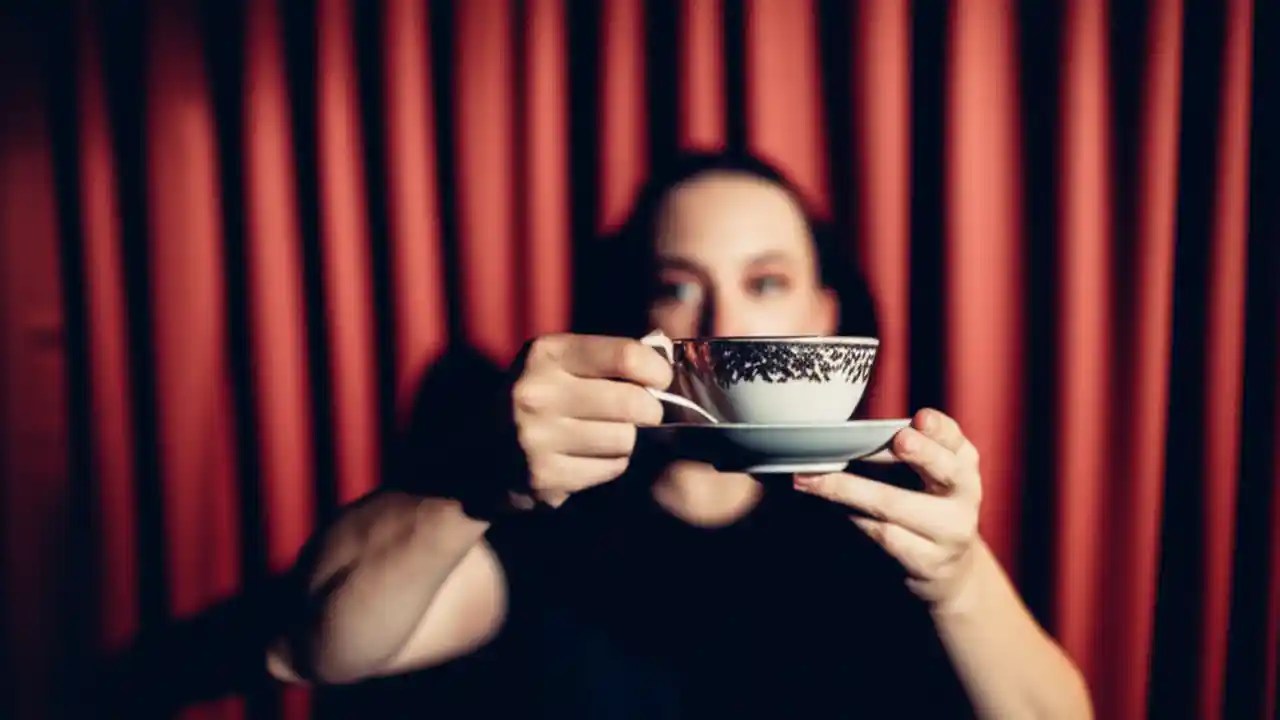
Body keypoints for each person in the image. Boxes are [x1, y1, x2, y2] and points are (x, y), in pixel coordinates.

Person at [266, 153, 1092, 718]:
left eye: (765, 283)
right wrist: (486, 478)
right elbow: (320, 651)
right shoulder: (549, 507)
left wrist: (958, 576)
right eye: (678, 287)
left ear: (826, 315)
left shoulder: (890, 511)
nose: (726, 324)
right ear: (638, 317)